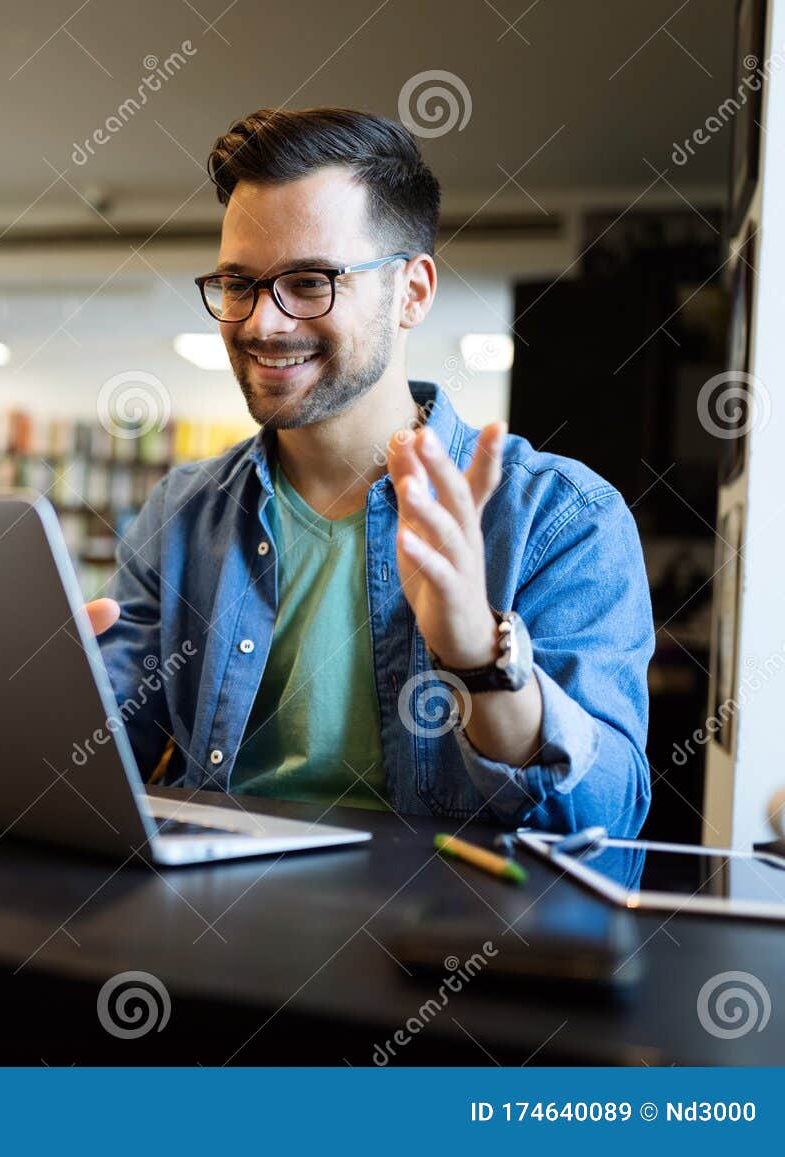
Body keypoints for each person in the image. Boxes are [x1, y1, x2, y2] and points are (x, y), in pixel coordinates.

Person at [86, 107, 653, 834]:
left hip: (440, 938)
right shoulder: (182, 512)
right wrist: (39, 701)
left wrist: (480, 654)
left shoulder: (564, 518)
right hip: (209, 923)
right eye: (239, 284)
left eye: (310, 281)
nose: (263, 322)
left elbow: (607, 819)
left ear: (412, 292)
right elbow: (97, 768)